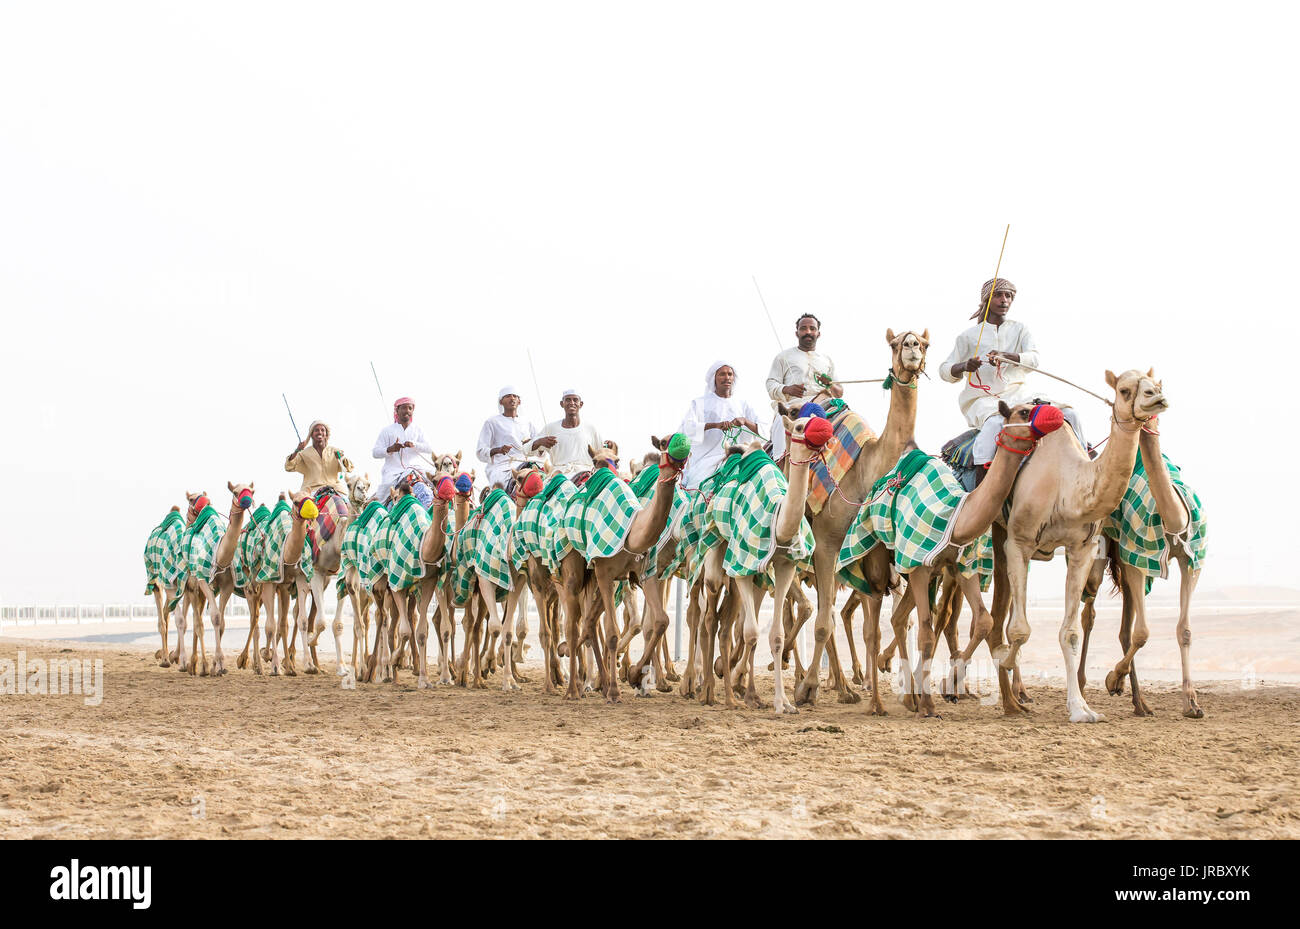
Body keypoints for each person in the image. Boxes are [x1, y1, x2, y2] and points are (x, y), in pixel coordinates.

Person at [940, 277, 1086, 465]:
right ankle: (981, 485)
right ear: (987, 300)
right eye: (998, 295)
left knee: (1070, 414)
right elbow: (944, 370)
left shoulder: (1020, 329)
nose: (1004, 300)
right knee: (994, 425)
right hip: (984, 401)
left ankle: (1087, 463)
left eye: (1008, 296)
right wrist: (964, 366)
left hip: (1020, 396)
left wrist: (1008, 356)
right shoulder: (968, 336)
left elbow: (1034, 359)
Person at [765, 314, 842, 459]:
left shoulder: (826, 360)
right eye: (803, 328)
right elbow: (770, 383)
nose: (808, 332)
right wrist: (787, 389)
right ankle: (781, 465)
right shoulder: (783, 357)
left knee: (850, 420)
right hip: (793, 407)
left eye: (812, 328)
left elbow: (839, 392)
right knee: (782, 429)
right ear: (797, 333)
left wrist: (829, 384)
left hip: (823, 405)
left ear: (818, 333)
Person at [680, 361, 760, 490]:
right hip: (708, 459)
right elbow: (688, 428)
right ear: (714, 378)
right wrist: (716, 425)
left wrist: (745, 421)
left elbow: (763, 429)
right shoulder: (699, 403)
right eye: (722, 374)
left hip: (741, 455)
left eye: (730, 374)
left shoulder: (743, 404)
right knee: (698, 486)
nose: (727, 377)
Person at [370, 397, 433, 501]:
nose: (407, 411)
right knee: (383, 494)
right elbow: (375, 452)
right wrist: (390, 449)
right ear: (397, 410)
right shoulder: (387, 431)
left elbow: (429, 448)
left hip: (415, 469)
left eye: (410, 408)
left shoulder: (418, 430)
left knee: (434, 485)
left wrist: (414, 444)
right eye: (404, 408)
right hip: (392, 472)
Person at [530, 388, 603, 476]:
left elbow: (601, 453)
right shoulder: (550, 428)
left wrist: (610, 446)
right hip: (560, 475)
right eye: (568, 400)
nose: (572, 403)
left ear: (581, 404)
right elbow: (527, 450)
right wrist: (539, 442)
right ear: (562, 404)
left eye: (575, 400)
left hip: (587, 474)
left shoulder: (591, 428)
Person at [476, 385, 536, 488]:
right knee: (501, 490)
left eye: (515, 396)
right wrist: (498, 450)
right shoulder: (492, 422)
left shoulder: (527, 422)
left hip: (528, 463)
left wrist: (535, 444)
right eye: (508, 396)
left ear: (519, 401)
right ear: (501, 402)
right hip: (503, 467)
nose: (512, 398)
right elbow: (480, 451)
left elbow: (539, 448)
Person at [285, 420, 353, 496]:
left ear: (326, 434)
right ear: (311, 435)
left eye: (322, 430)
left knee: (347, 505)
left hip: (334, 490)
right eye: (316, 430)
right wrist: (297, 450)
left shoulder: (335, 451)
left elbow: (349, 468)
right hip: (311, 492)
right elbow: (289, 466)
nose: (320, 432)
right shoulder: (303, 453)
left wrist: (341, 459)